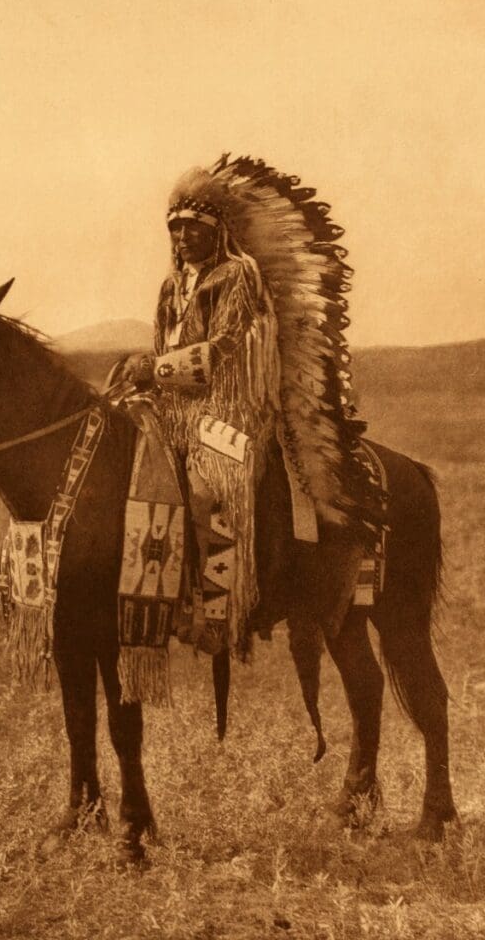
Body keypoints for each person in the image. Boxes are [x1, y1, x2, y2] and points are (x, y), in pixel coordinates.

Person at [121, 155, 368, 653]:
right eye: (176, 227)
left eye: (194, 226)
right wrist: (141, 373)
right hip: (175, 409)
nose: (184, 236)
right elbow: (162, 347)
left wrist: (158, 368)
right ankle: (152, 601)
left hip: (229, 410)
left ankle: (219, 610)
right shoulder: (172, 286)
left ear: (219, 229)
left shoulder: (237, 275)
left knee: (210, 486)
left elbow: (226, 347)